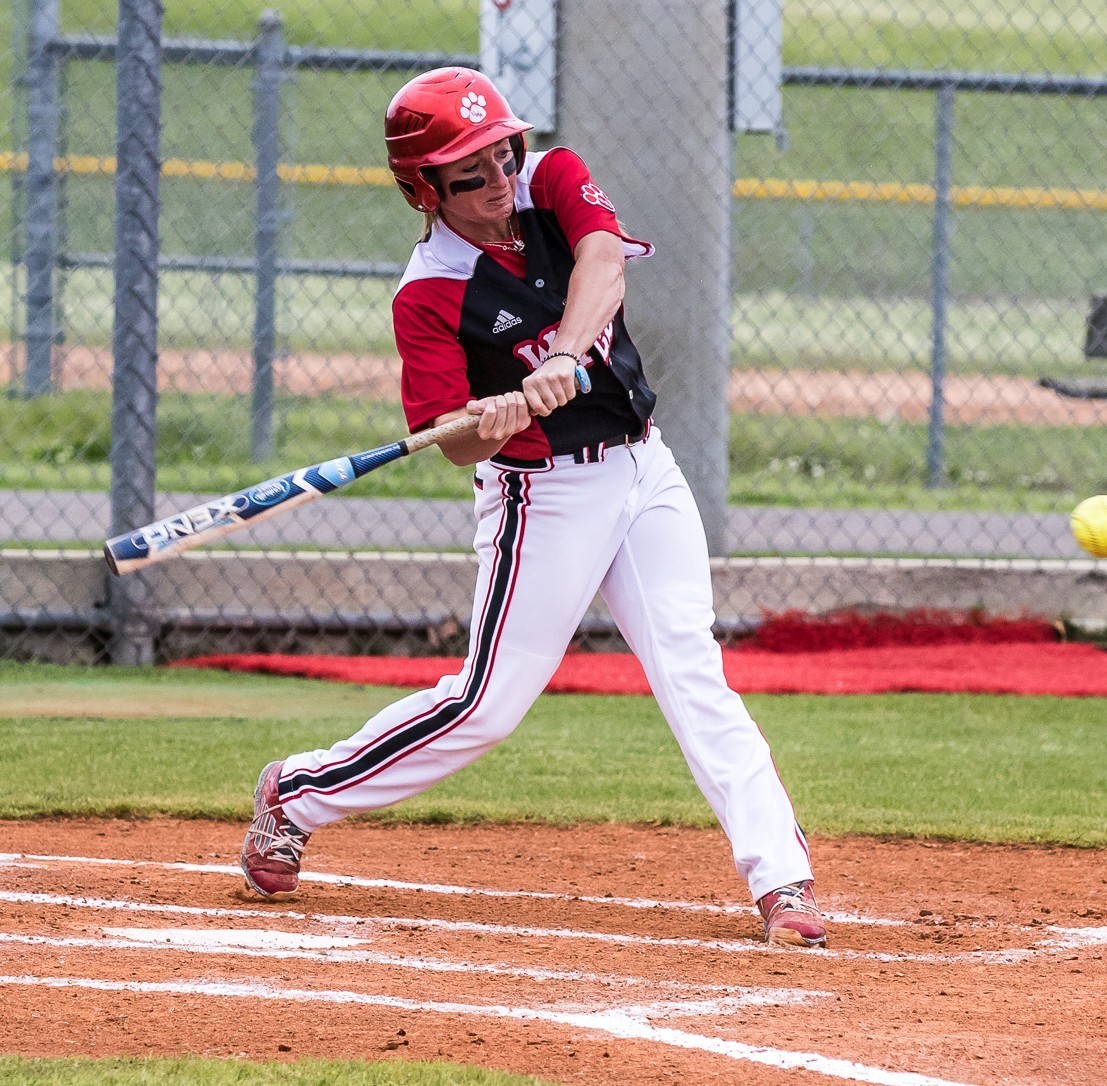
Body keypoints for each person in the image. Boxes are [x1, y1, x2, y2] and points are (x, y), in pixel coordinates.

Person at [240, 67, 826, 949]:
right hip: (540, 494)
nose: (498, 179)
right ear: (422, 190)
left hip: (643, 470)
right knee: (486, 706)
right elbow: (456, 443)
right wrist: (488, 417)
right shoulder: (430, 292)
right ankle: (298, 794)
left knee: (691, 668)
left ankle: (781, 879)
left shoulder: (554, 181)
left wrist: (562, 356)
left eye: (501, 153)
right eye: (467, 173)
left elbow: (602, 262)